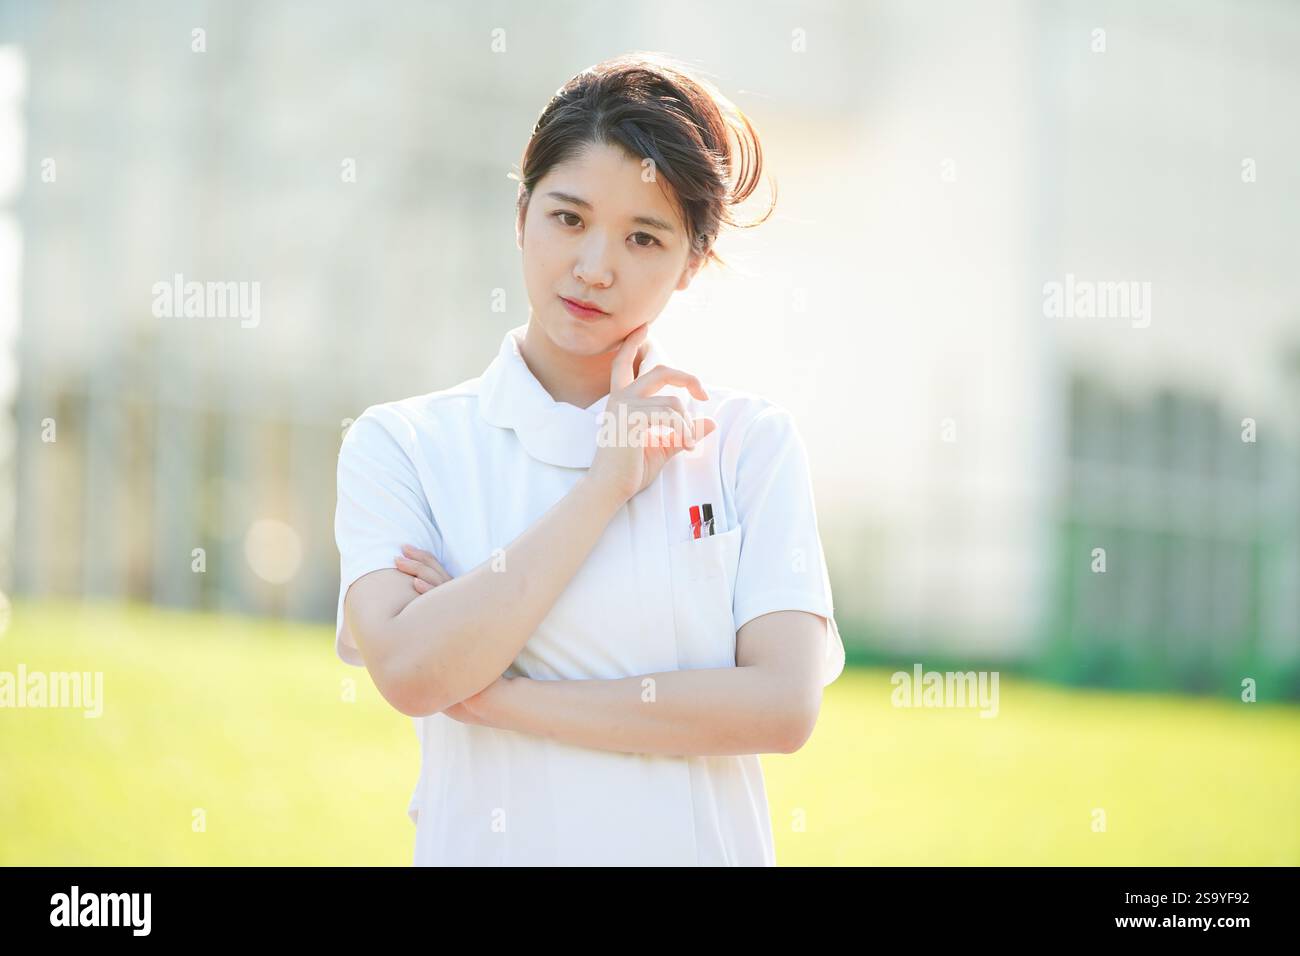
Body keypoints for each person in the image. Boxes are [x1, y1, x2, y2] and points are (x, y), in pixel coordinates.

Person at [334, 51, 845, 866]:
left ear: (692, 265)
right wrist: (605, 487)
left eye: (644, 237)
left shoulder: (749, 444)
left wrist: (500, 695)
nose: (594, 267)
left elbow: (781, 708)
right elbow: (410, 672)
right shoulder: (405, 444)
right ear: (522, 214)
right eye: (568, 218)